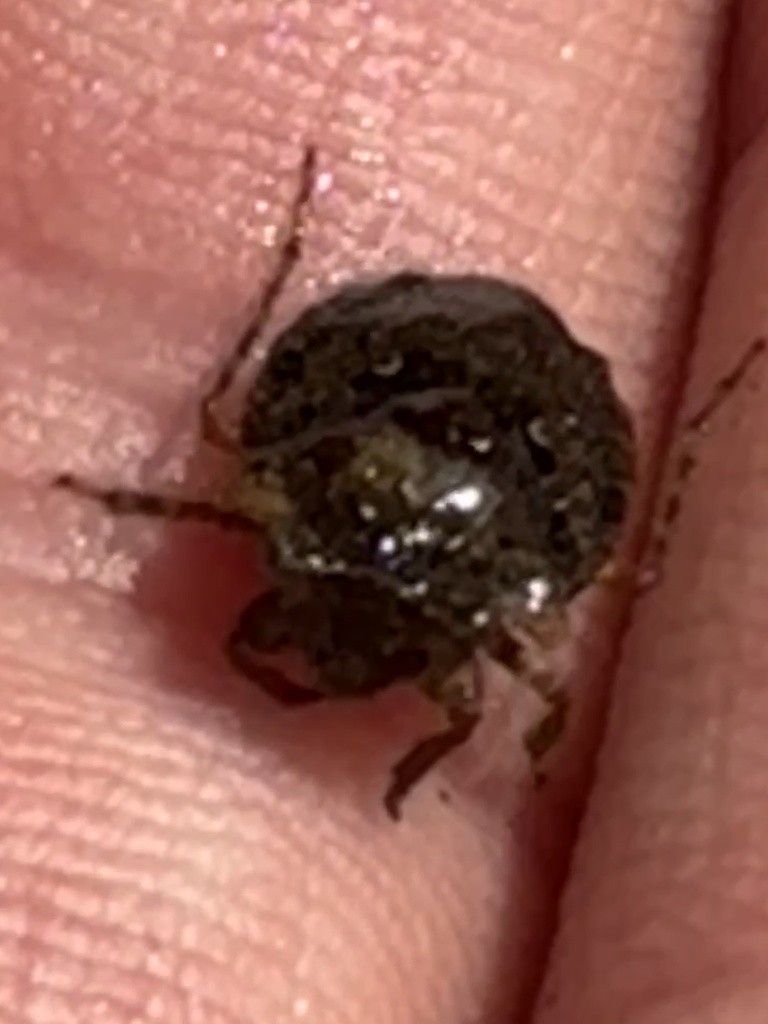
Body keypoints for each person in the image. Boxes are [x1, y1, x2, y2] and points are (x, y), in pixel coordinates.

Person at [1, 2, 763, 1022]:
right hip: (417, 409)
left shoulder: (429, 598)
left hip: (449, 424)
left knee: (237, 451)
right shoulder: (449, 602)